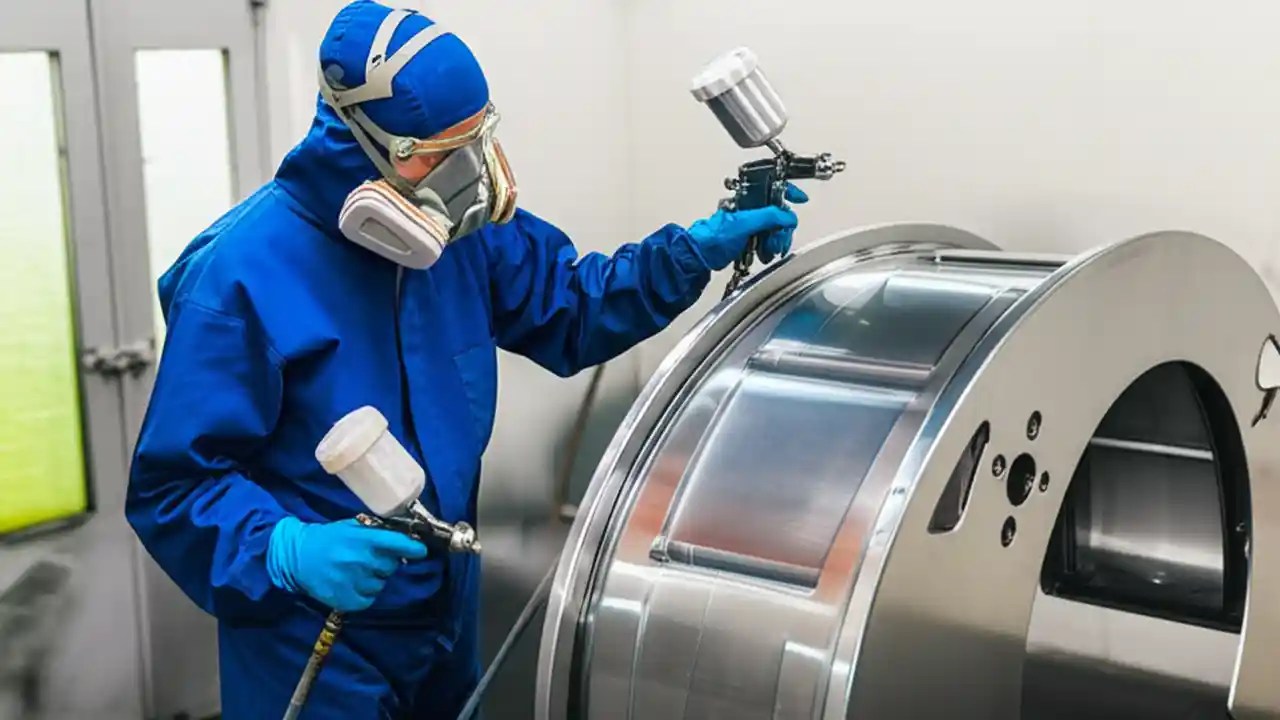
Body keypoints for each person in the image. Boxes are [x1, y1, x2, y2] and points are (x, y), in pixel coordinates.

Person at [124, 1, 806, 718]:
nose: (470, 173)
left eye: (477, 140)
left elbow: (571, 307)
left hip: (444, 622)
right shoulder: (238, 277)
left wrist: (693, 252)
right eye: (445, 152)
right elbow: (173, 486)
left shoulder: (455, 234)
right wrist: (285, 551)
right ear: (371, 141)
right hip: (310, 633)